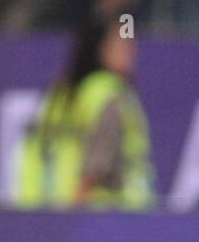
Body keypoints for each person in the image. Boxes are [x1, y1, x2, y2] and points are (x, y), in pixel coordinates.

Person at [15, 16, 154, 209]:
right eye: (121, 43)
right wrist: (73, 213)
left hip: (46, 208)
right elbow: (97, 166)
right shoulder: (109, 95)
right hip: (107, 216)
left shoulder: (61, 94)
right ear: (99, 48)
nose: (131, 51)